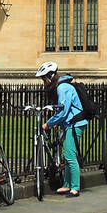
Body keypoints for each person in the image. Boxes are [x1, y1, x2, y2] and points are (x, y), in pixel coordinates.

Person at [37, 61, 89, 198]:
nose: (43, 82)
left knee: (70, 156)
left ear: (50, 76)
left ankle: (75, 187)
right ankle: (66, 185)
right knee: (67, 156)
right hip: (71, 124)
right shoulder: (62, 86)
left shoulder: (62, 88)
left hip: (75, 124)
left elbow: (63, 111)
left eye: (44, 79)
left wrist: (48, 124)